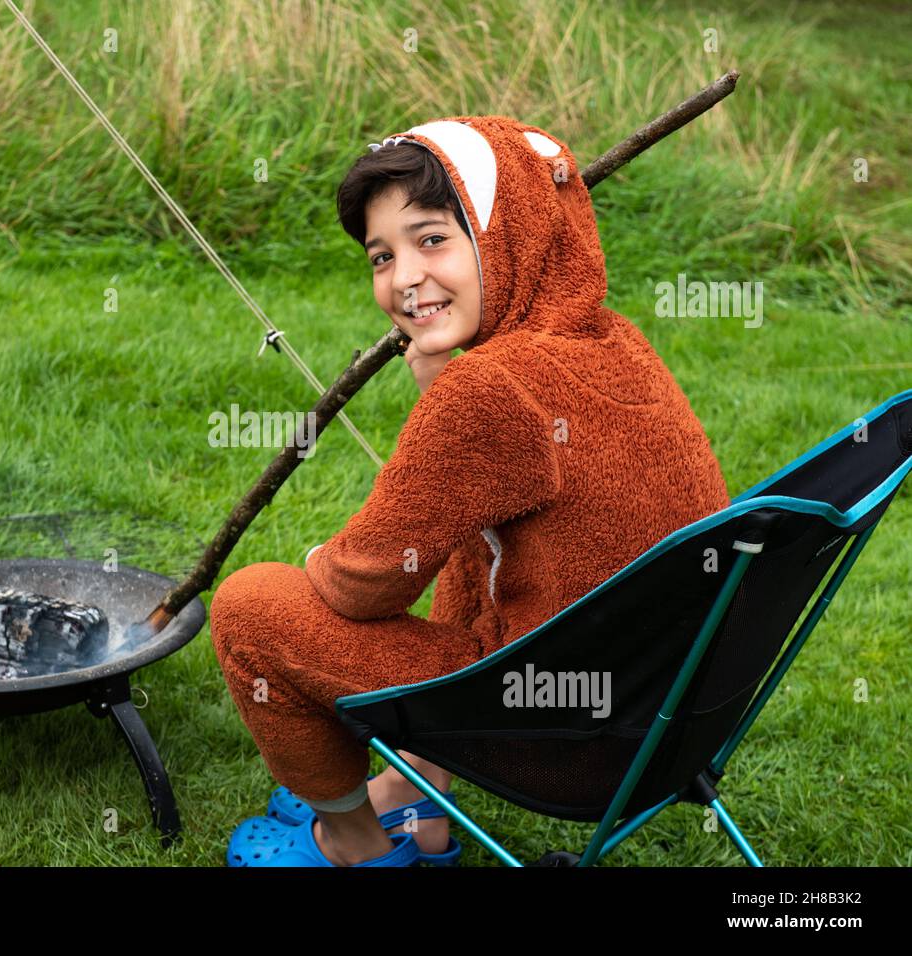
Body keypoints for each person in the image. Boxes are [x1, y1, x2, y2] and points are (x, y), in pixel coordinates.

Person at [211, 116, 731, 867]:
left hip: (556, 736)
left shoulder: (492, 388)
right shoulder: (614, 342)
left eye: (432, 240)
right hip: (664, 718)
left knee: (253, 608)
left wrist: (323, 559)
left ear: (506, 234)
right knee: (479, 525)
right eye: (381, 256)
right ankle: (417, 788)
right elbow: (488, 478)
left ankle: (354, 843)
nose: (404, 279)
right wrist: (451, 397)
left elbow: (366, 583)